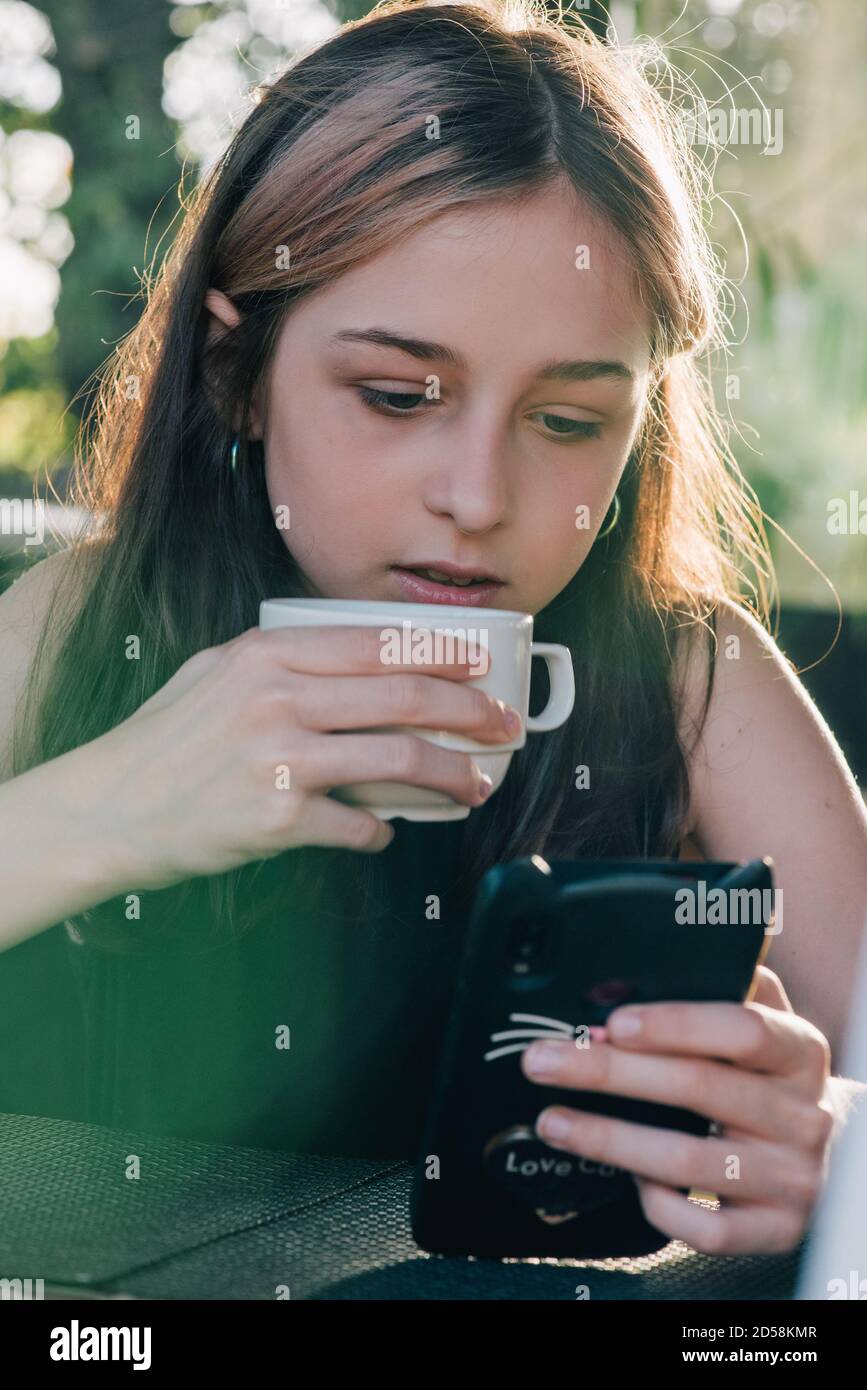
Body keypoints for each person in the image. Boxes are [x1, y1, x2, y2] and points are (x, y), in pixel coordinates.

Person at [0, 0, 864, 1256]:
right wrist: (107, 807)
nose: (478, 498)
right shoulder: (87, 624)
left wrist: (822, 1156)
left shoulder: (691, 676)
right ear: (237, 374)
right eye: (398, 396)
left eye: (569, 422)